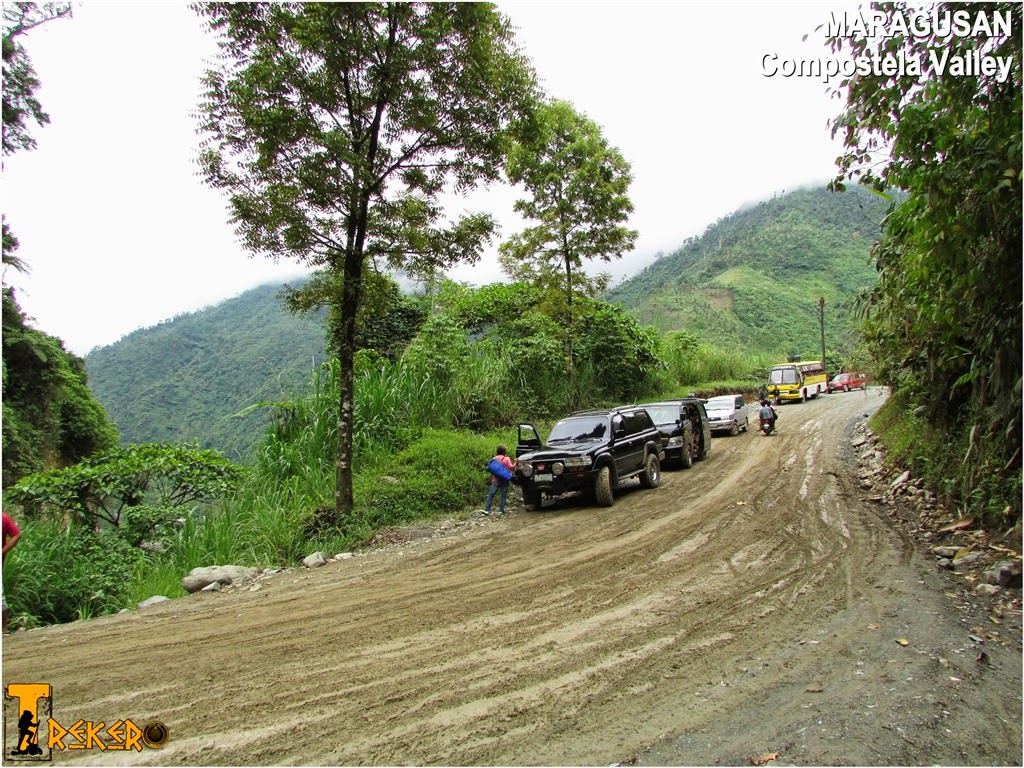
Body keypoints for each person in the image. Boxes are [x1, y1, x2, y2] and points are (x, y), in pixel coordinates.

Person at [482, 445, 516, 517]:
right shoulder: (506, 458)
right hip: (504, 479)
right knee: (503, 495)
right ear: (504, 452)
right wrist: (515, 462)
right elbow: (511, 468)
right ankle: (501, 510)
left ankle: (487, 510)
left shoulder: (494, 459)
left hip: (495, 479)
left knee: (491, 494)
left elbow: (489, 468)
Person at [3, 512, 22, 633]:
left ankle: (3, 628)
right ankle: (3, 628)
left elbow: (17, 535)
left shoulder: (3, 518)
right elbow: (17, 535)